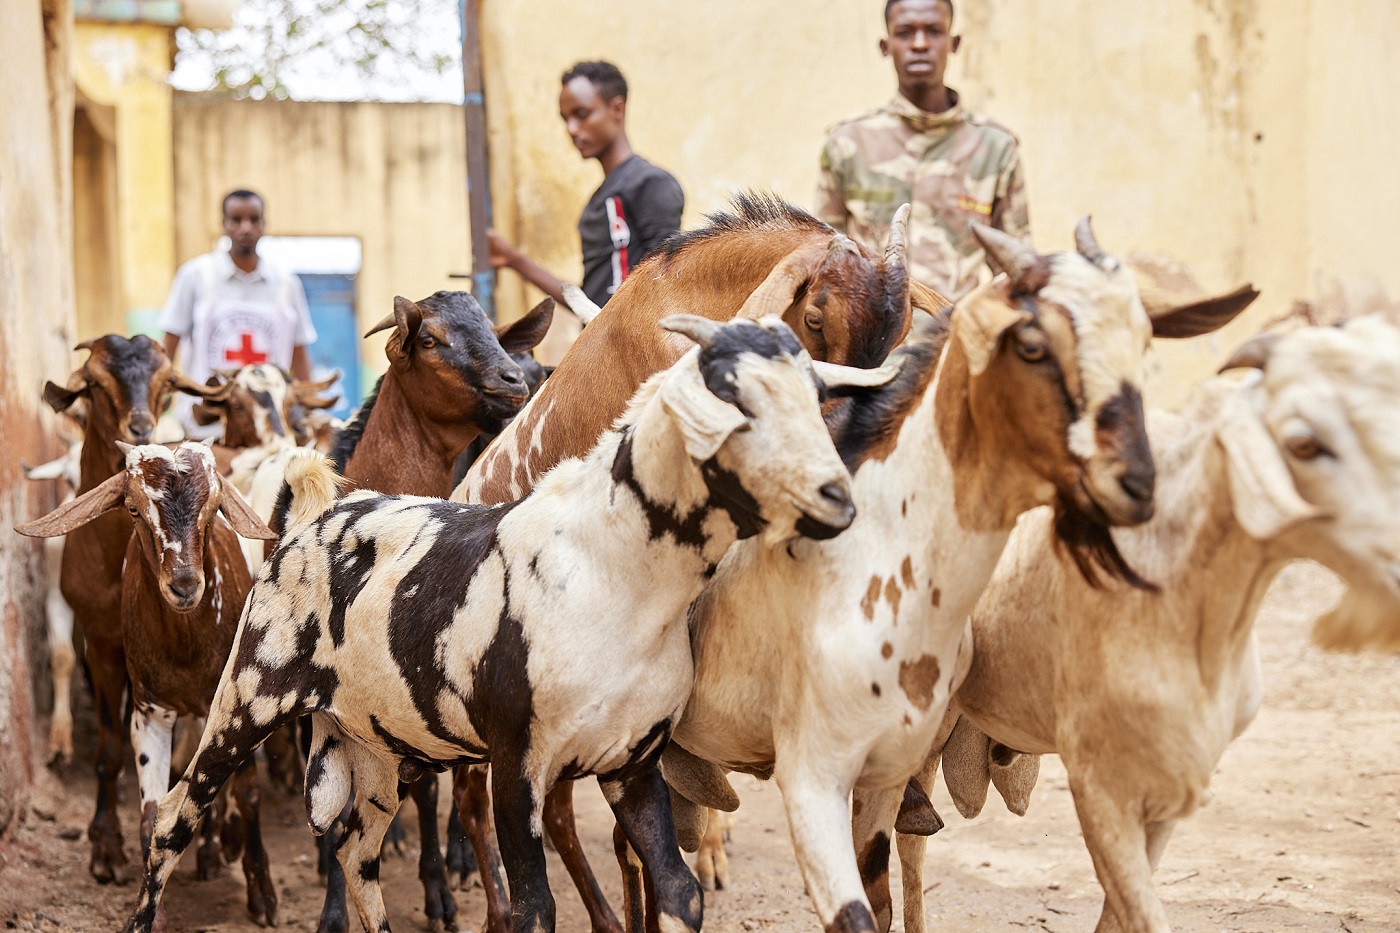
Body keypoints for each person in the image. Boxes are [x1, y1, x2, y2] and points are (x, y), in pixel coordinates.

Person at [816, 0, 1031, 298]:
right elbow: (825, 260)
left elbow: (1014, 273)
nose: (919, 44)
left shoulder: (994, 147)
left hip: (954, 338)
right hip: (872, 340)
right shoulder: (848, 143)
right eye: (905, 33)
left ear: (953, 43)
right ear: (885, 46)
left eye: (933, 31)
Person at [489, 60, 684, 311]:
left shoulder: (649, 183)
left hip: (632, 348)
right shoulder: (599, 199)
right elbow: (589, 305)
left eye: (582, 115)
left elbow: (667, 285)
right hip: (597, 345)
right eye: (565, 119)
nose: (571, 129)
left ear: (617, 109)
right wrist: (513, 259)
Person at [159, 189, 317, 438]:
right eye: (236, 220)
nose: (246, 228)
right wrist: (158, 400)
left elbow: (299, 352)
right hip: (204, 427)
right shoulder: (196, 276)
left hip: (270, 429)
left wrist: (310, 409)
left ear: (264, 224)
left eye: (254, 219)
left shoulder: (286, 284)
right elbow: (169, 346)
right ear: (224, 224)